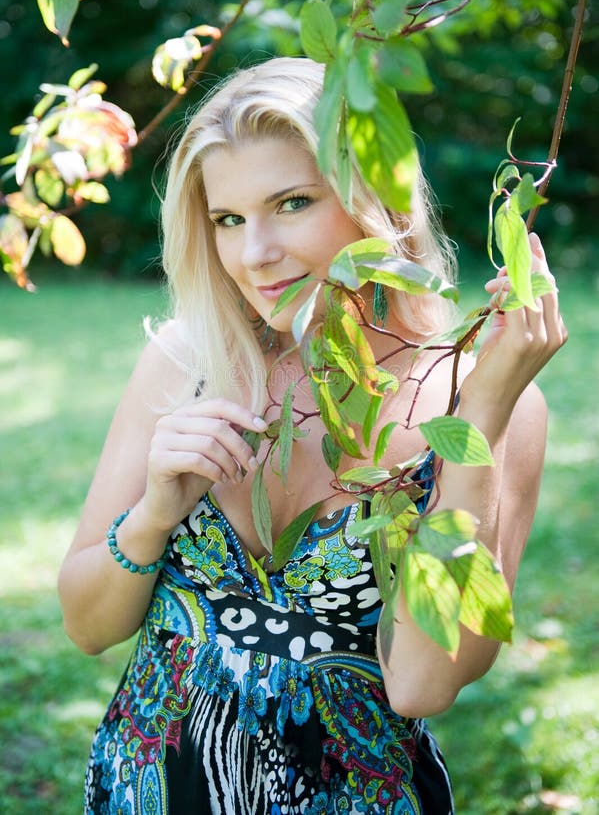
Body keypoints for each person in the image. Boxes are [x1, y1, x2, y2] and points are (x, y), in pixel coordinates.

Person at [58, 56, 567, 815]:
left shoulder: (489, 408)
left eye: (291, 203)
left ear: (379, 201)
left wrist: (479, 422)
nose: (253, 254)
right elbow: (87, 626)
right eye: (227, 220)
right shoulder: (186, 364)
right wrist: (156, 513)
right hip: (147, 793)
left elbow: (422, 685)